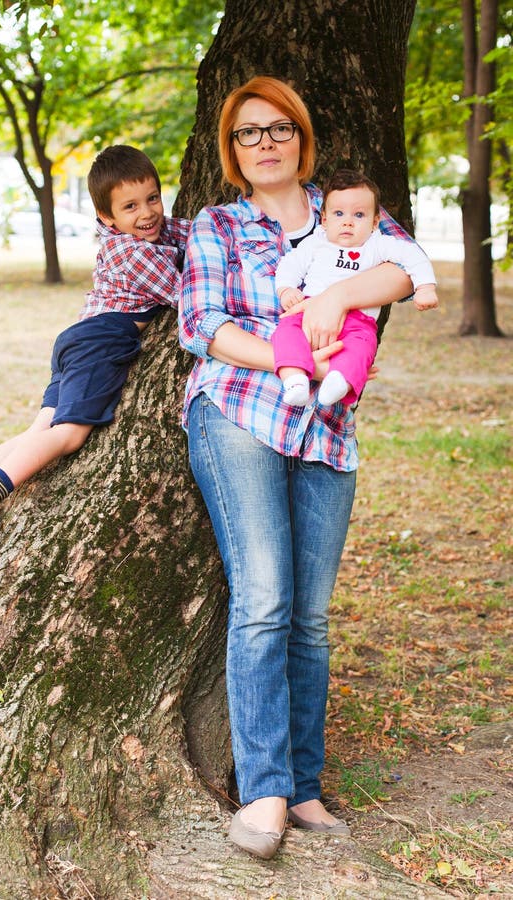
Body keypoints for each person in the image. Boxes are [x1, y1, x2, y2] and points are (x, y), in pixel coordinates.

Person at [178, 76, 417, 860]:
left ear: (301, 137)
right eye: (249, 133)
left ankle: (307, 785)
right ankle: (267, 791)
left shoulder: (345, 209)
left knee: (310, 617)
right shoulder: (217, 224)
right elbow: (202, 324)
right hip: (242, 405)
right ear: (233, 151)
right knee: (266, 599)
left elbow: (405, 271)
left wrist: (338, 294)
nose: (266, 142)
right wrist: (299, 355)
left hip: (327, 427)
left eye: (279, 128)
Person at [0, 145, 189, 567]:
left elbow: (185, 231)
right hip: (102, 340)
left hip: (80, 338)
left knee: (42, 424)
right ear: (107, 218)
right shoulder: (132, 251)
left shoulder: (148, 233)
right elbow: (187, 295)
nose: (148, 213)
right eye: (130, 206)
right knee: (69, 434)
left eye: (153, 198)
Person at [273, 168, 438, 407]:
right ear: (325, 219)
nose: (348, 221)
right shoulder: (316, 242)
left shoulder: (377, 244)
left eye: (359, 215)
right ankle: (294, 379)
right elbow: (289, 264)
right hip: (308, 312)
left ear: (375, 222)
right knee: (285, 332)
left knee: (362, 348)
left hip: (358, 320)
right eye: (339, 213)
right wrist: (286, 289)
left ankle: (338, 382)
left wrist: (425, 286)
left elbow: (413, 255)